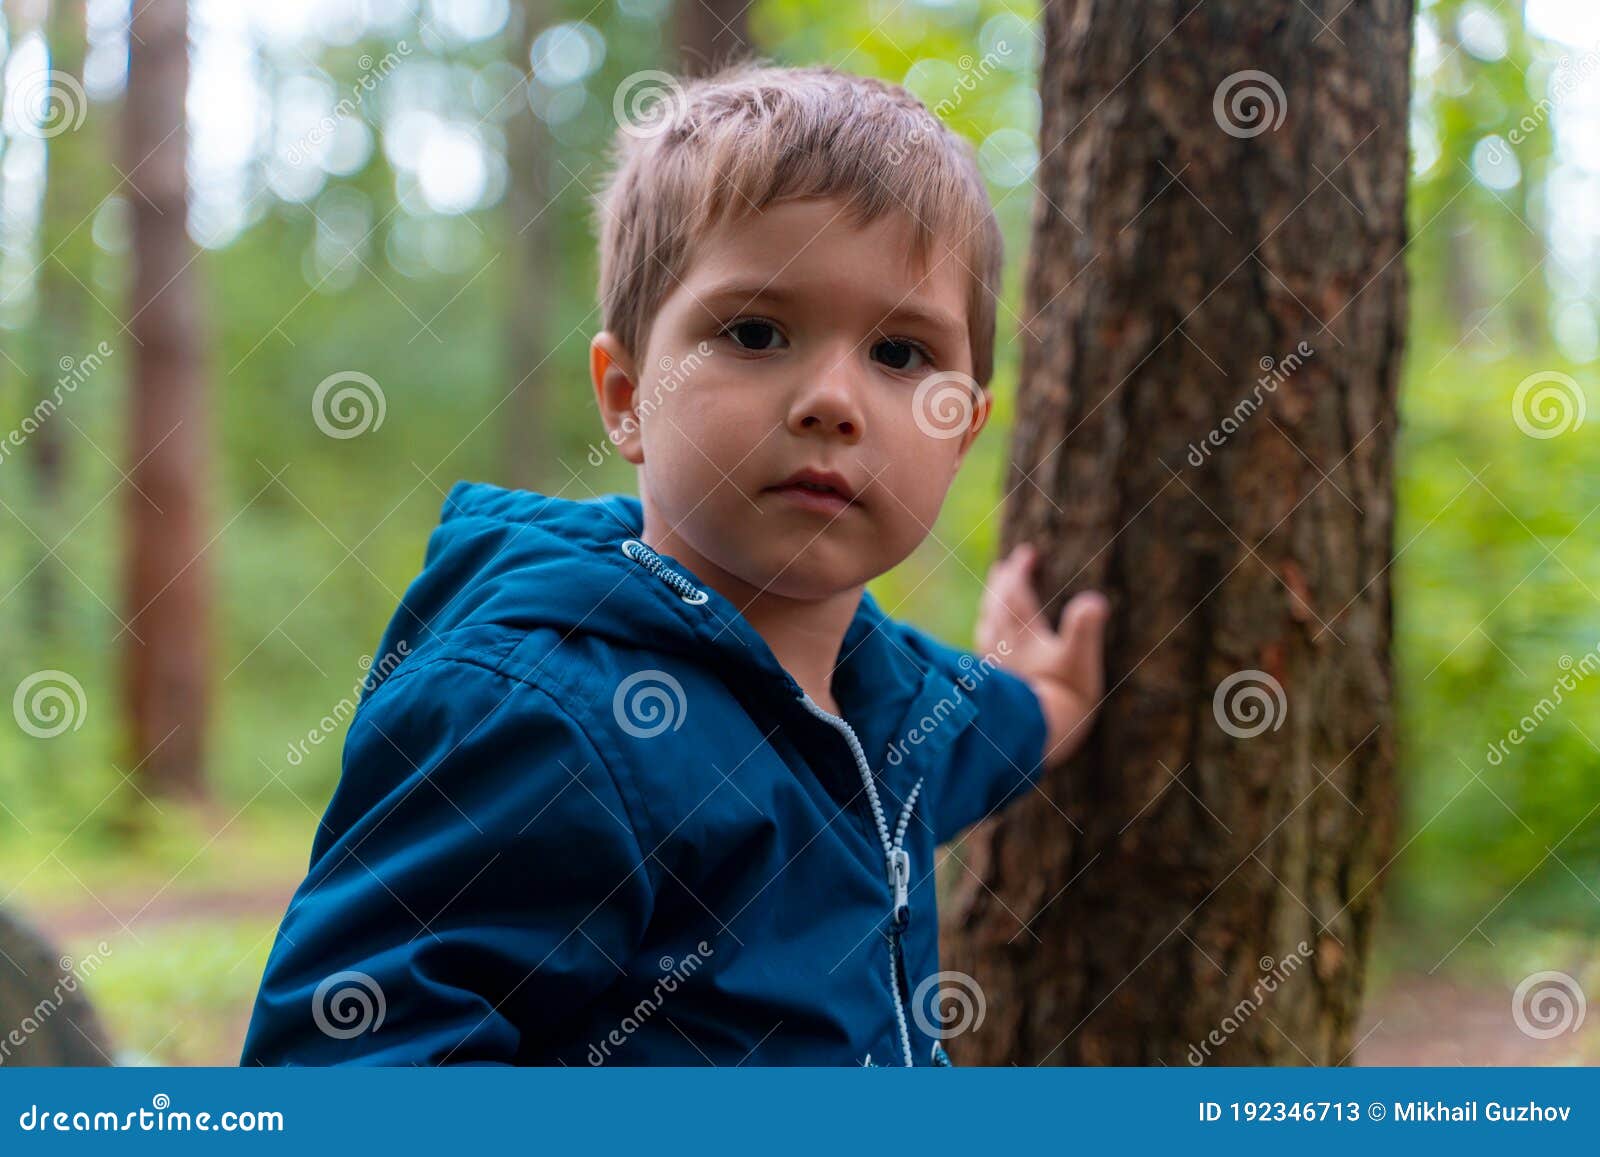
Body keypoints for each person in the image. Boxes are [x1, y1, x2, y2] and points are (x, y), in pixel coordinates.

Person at [240, 62, 1110, 1068]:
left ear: (962, 431)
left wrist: (1047, 697)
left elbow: (962, 741)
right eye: (754, 331)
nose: (832, 398)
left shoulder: (883, 691)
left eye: (902, 354)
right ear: (625, 394)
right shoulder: (541, 717)